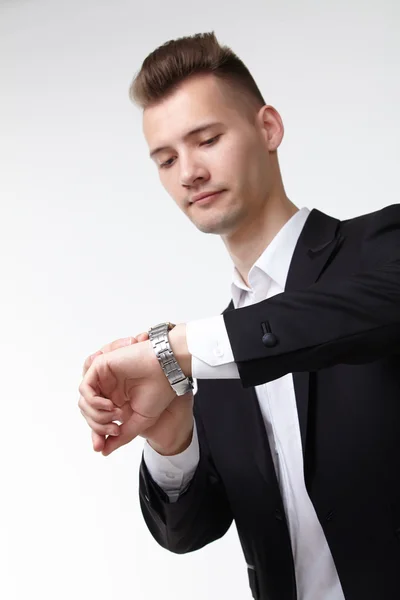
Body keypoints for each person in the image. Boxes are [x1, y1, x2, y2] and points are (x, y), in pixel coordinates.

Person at [78, 31, 400, 600]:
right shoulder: (213, 359)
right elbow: (192, 530)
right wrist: (170, 437)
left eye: (207, 140)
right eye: (166, 159)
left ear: (268, 128)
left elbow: (345, 319)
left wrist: (175, 351)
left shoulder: (383, 250)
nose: (189, 173)